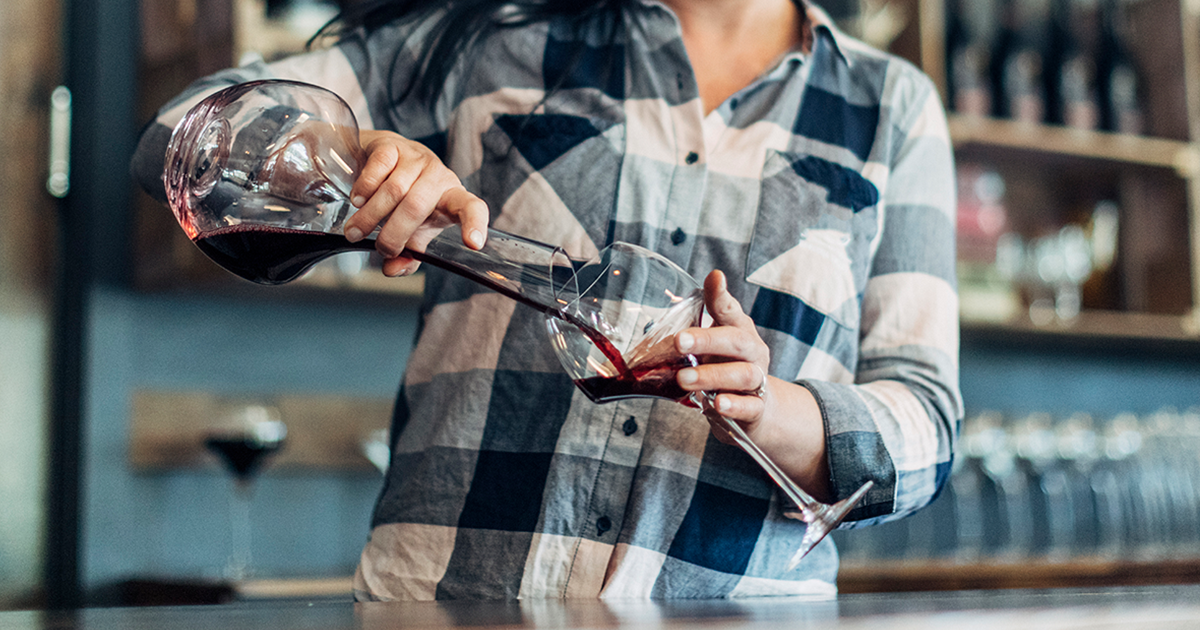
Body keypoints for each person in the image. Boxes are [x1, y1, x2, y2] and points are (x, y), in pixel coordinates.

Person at [132, 0, 962, 600]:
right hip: (446, 605)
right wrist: (344, 158)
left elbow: (925, 422)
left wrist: (770, 407)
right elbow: (176, 132)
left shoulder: (890, 109)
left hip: (737, 611)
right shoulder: (491, 35)